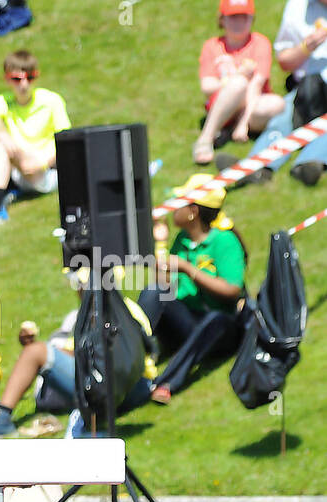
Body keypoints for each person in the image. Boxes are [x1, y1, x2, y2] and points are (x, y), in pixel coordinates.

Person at [0, 288, 158, 439]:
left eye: (84, 285)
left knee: (36, 352)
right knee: (36, 350)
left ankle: (3, 418)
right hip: (97, 381)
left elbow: (133, 356)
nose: (80, 290)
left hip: (128, 385)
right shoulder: (80, 315)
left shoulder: (125, 311)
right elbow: (77, 355)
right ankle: (2, 418)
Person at [139, 175, 247, 404]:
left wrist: (189, 269)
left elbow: (232, 290)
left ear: (192, 211)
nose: (173, 207)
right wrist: (161, 243)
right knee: (154, 291)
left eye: (179, 201)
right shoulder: (182, 239)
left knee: (216, 319)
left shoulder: (225, 241)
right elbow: (163, 284)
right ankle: (137, 356)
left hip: (220, 328)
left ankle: (166, 382)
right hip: (189, 320)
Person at [222, 0, 327, 185]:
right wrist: (305, 48)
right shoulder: (297, 6)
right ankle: (256, 168)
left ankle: (308, 165)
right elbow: (284, 62)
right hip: (305, 88)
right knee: (282, 115)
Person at [0, 49, 71, 236]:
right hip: (19, 168)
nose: (23, 84)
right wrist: (4, 138)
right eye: (17, 79)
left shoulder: (51, 100)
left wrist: (42, 163)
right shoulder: (3, 101)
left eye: (29, 78)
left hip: (44, 172)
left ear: (35, 78)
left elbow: (66, 141)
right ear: (7, 80)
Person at [194, 0, 284, 165]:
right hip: (223, 103)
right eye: (233, 17)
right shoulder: (212, 46)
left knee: (278, 103)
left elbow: (257, 84)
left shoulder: (260, 42)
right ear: (222, 20)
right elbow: (206, 86)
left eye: (244, 17)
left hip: (253, 106)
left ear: (252, 19)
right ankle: (205, 139)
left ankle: (231, 128)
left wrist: (244, 122)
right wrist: (235, 77)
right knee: (239, 84)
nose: (239, 23)